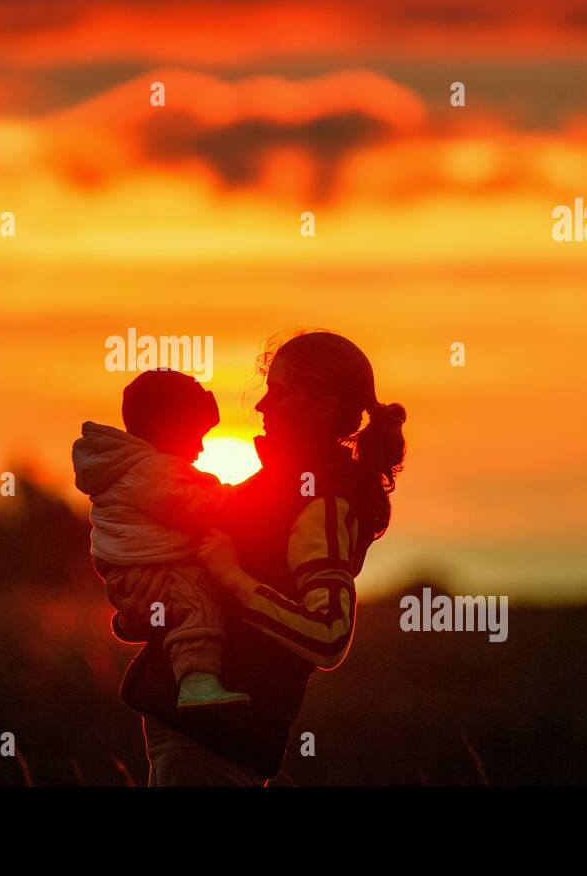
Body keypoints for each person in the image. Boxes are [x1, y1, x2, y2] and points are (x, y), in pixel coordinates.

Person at [120, 331, 407, 785]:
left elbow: (329, 632)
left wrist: (233, 578)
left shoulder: (326, 501)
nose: (261, 406)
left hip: (218, 738)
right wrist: (147, 613)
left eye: (279, 392)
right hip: (195, 730)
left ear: (325, 405)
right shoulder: (277, 485)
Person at [71, 369, 247, 711]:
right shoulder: (151, 471)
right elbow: (194, 508)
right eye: (195, 435)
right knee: (198, 599)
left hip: (133, 575)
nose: (200, 447)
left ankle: (142, 621)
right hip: (150, 572)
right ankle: (198, 682)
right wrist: (245, 498)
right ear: (164, 426)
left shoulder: (132, 467)